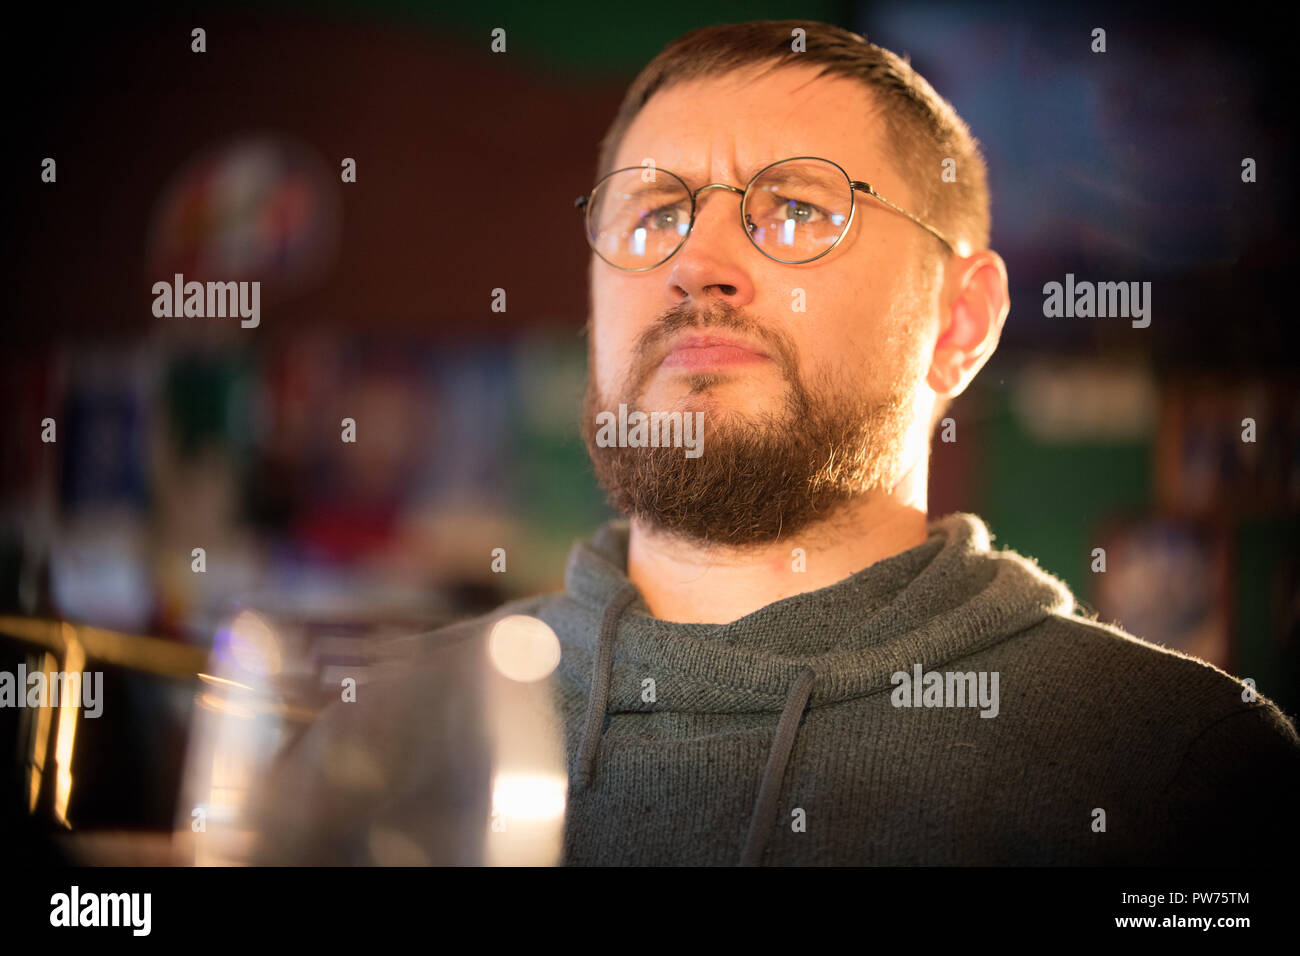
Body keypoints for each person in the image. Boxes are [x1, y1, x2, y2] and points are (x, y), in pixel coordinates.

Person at [256, 20, 1300, 866]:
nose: (694, 263)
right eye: (649, 215)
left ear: (959, 323)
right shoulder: (383, 736)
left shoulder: (1176, 769)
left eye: (796, 210)